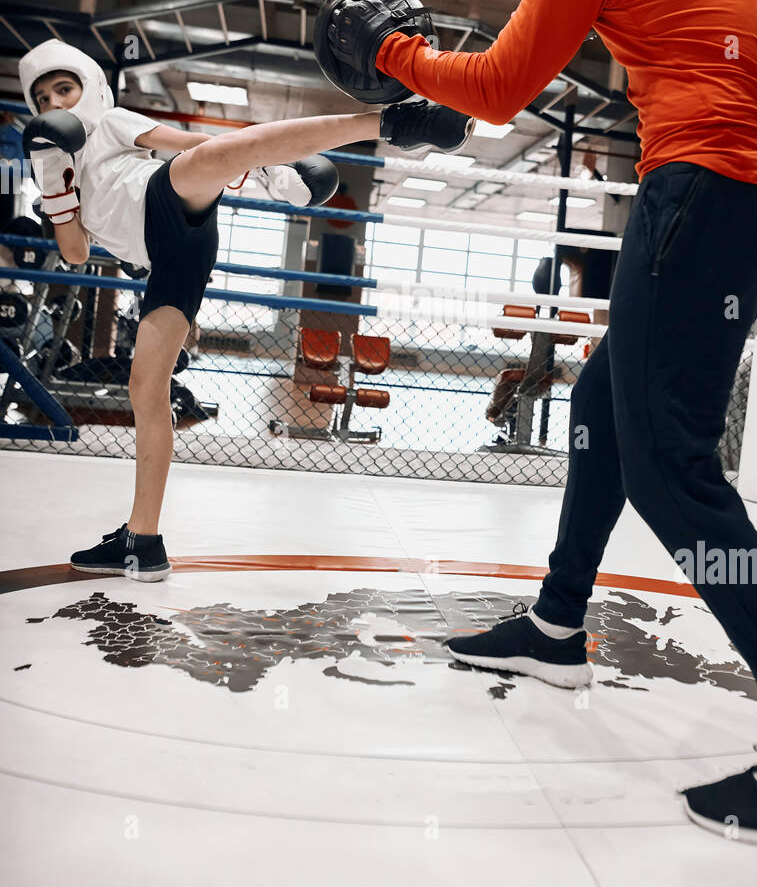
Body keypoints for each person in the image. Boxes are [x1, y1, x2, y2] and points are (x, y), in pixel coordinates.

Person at [332, 0, 757, 851]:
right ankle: (554, 625)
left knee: (672, 473)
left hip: (699, 196)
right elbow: (657, 56)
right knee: (599, 400)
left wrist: (393, 51)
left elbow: (494, 85)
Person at [19, 39, 472, 583]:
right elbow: (74, 252)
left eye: (63, 89)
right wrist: (52, 177)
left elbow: (190, 144)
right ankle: (142, 540)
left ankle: (392, 123)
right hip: (166, 257)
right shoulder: (55, 156)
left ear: (88, 88)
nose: (54, 104)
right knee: (146, 389)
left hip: (163, 199)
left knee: (212, 159)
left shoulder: (112, 120)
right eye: (42, 97)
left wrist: (259, 165)